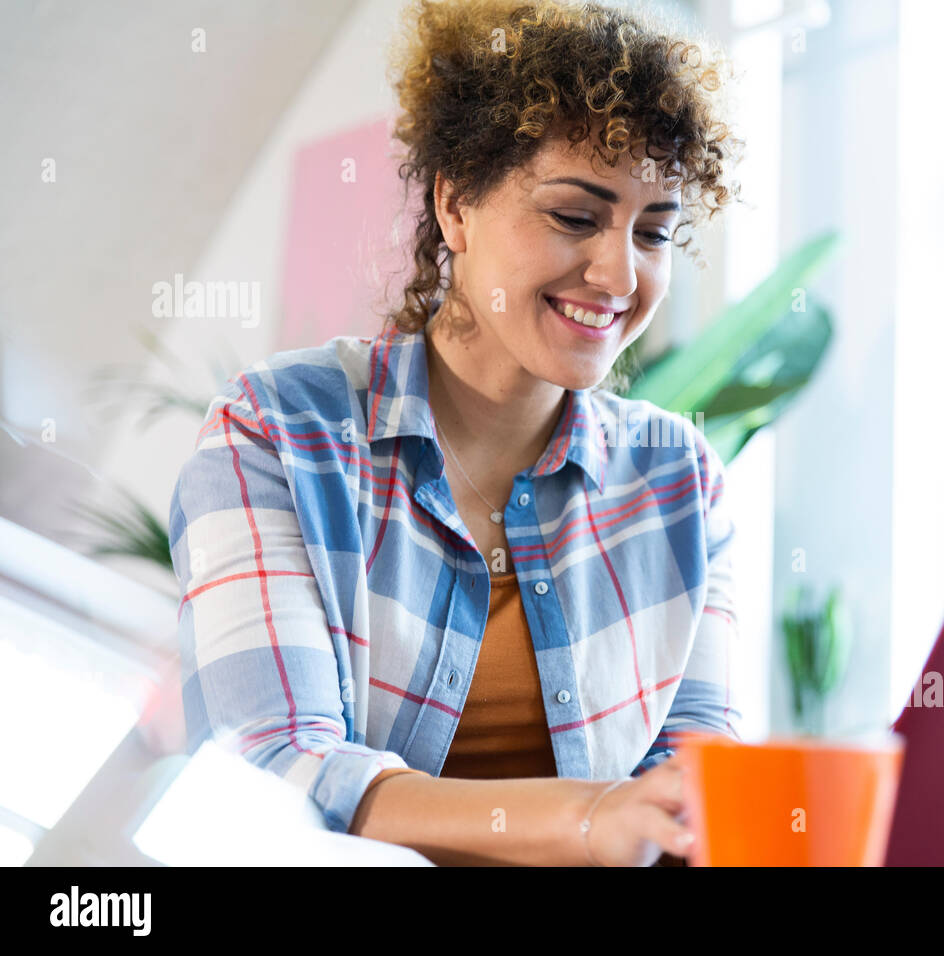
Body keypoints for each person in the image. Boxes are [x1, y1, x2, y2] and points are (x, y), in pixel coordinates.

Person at [169, 0, 743, 866]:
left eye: (654, 231)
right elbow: (273, 767)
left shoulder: (676, 479)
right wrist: (590, 818)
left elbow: (693, 780)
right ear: (456, 206)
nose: (621, 273)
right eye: (576, 217)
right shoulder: (279, 435)